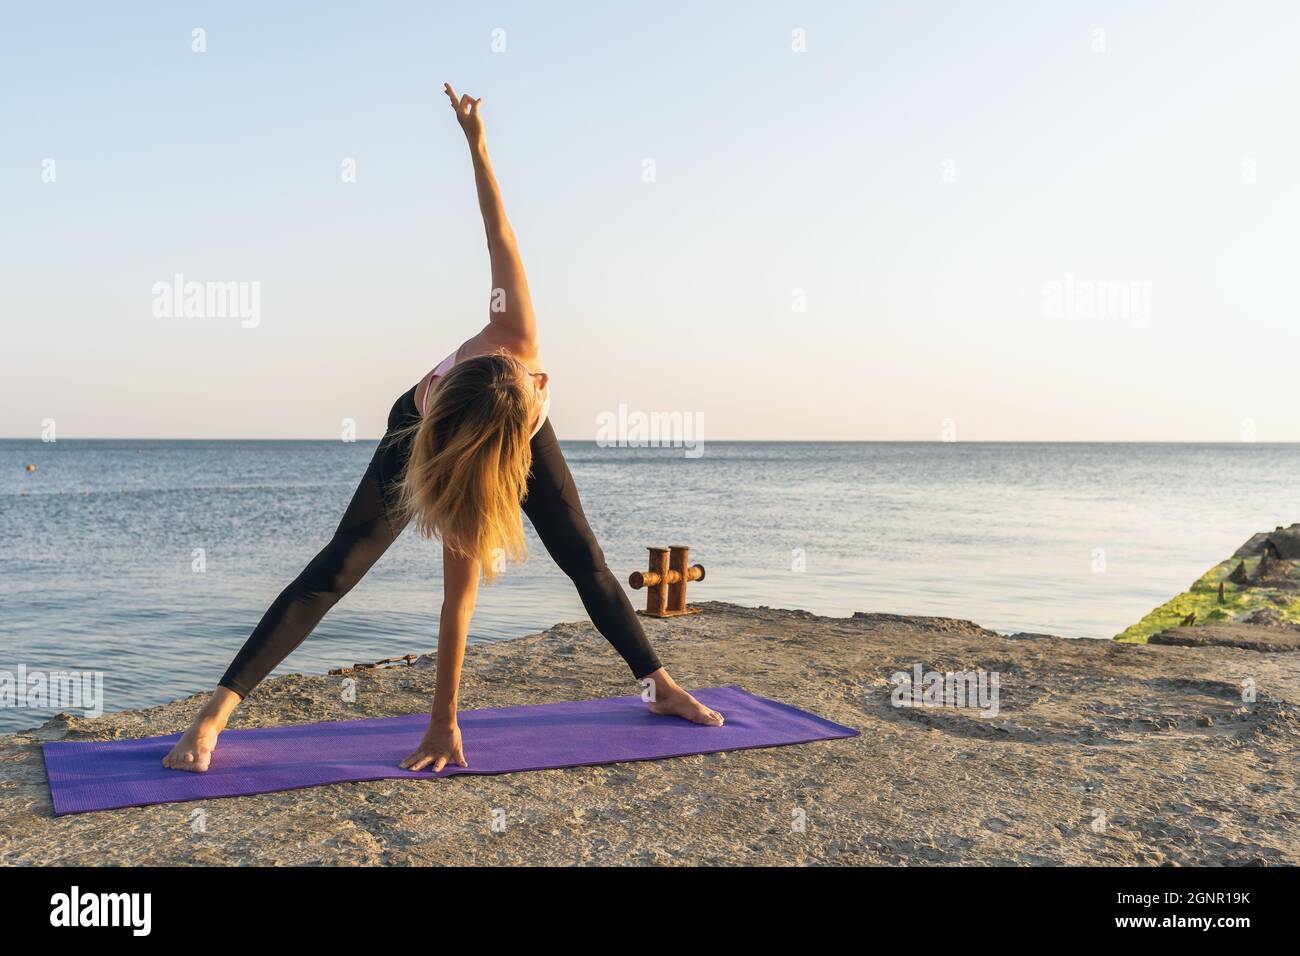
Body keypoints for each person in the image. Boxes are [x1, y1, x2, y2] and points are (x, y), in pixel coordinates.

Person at [163, 84, 724, 775]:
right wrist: (441, 723)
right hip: (428, 429)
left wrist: (476, 143)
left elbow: (500, 230)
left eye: (536, 382)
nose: (546, 380)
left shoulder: (516, 328)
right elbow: (457, 600)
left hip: (494, 422)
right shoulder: (448, 449)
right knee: (340, 566)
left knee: (582, 555)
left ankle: (659, 685)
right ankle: (214, 713)